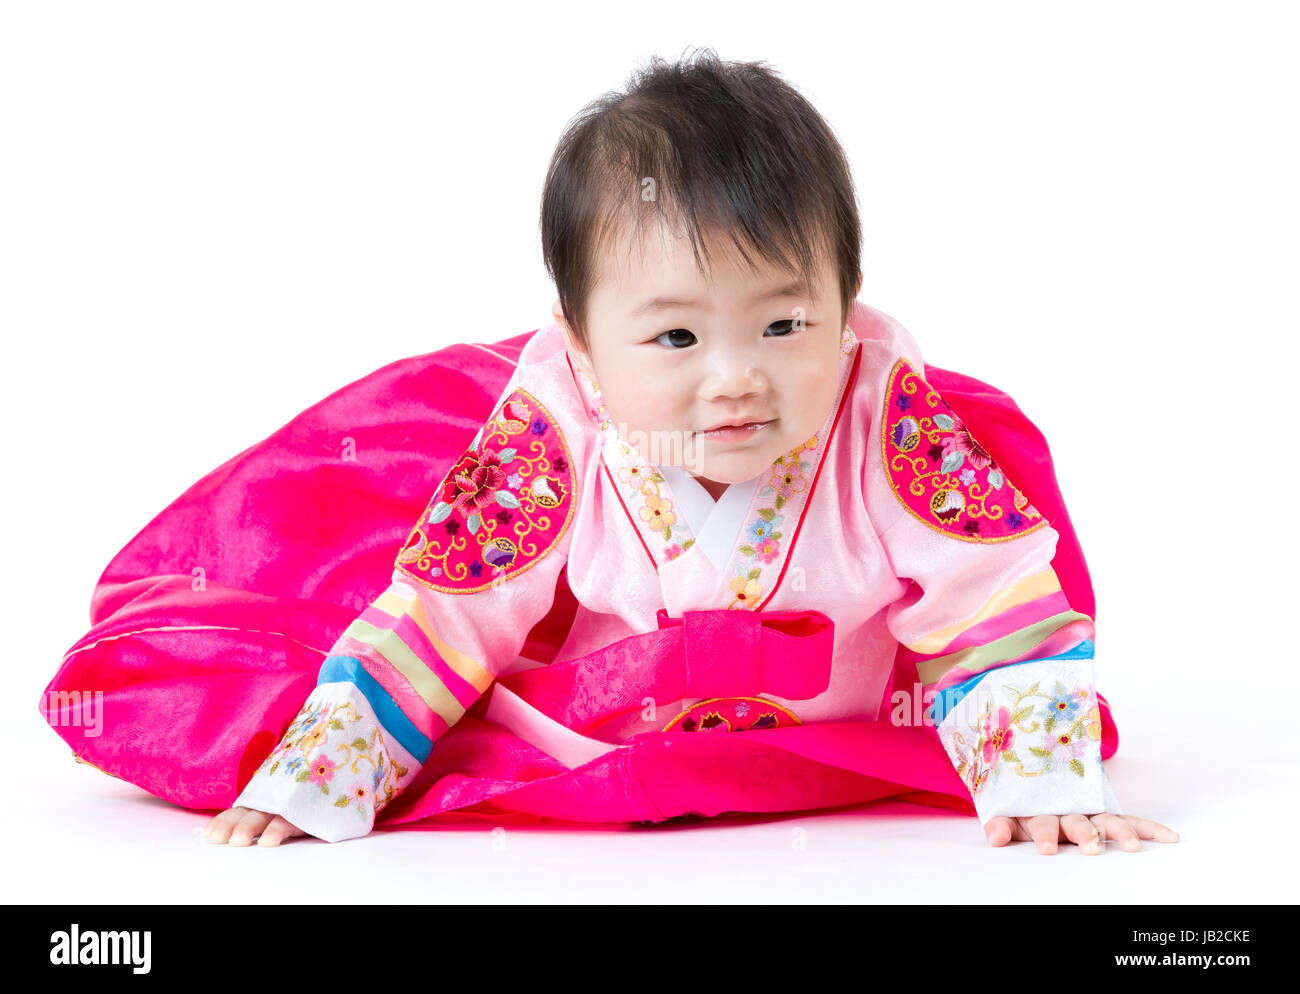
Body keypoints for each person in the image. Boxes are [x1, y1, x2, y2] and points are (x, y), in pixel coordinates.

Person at [194, 50, 1177, 852]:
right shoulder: (553, 431)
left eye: (784, 324)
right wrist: (326, 773)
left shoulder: (879, 411)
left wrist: (1039, 779)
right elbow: (452, 612)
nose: (736, 377)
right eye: (675, 338)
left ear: (845, 303)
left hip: (834, 757)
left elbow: (986, 593)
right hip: (597, 756)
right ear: (579, 344)